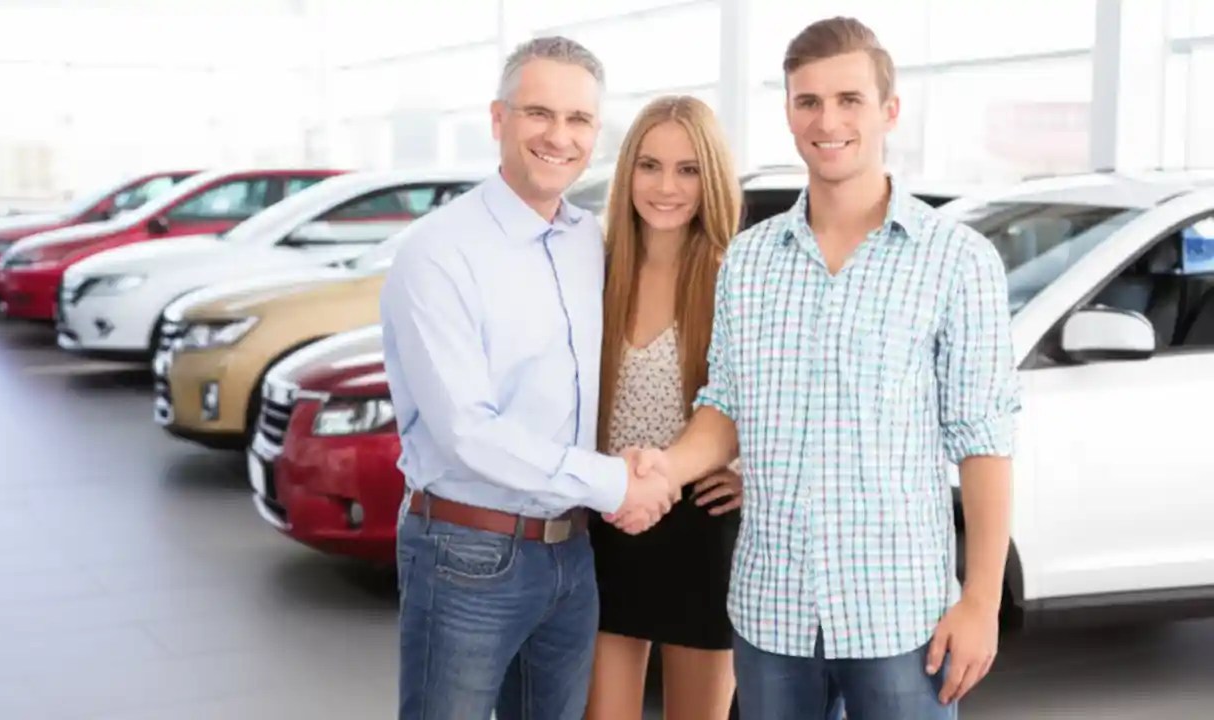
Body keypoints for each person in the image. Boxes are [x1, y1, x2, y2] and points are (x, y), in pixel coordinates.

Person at [627, 16, 1021, 719]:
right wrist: (664, 468)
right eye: (808, 101)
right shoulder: (749, 260)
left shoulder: (957, 260)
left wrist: (982, 601)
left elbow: (984, 440)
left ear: (889, 111)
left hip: (901, 621)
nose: (827, 120)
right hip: (771, 614)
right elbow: (724, 411)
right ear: (788, 113)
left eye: (849, 100)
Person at [379, 36, 677, 720]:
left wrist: (673, 461)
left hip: (572, 553)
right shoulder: (439, 252)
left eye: (578, 120)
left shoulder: (584, 241)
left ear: (595, 133)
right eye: (539, 113)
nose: (559, 136)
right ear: (498, 120)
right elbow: (467, 433)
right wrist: (616, 482)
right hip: (465, 554)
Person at [585, 96, 745, 720]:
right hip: (604, 523)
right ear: (627, 173)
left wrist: (748, 476)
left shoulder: (735, 276)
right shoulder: (593, 271)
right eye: (650, 165)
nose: (666, 187)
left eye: (687, 169)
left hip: (699, 532)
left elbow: (773, 398)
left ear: (712, 178)